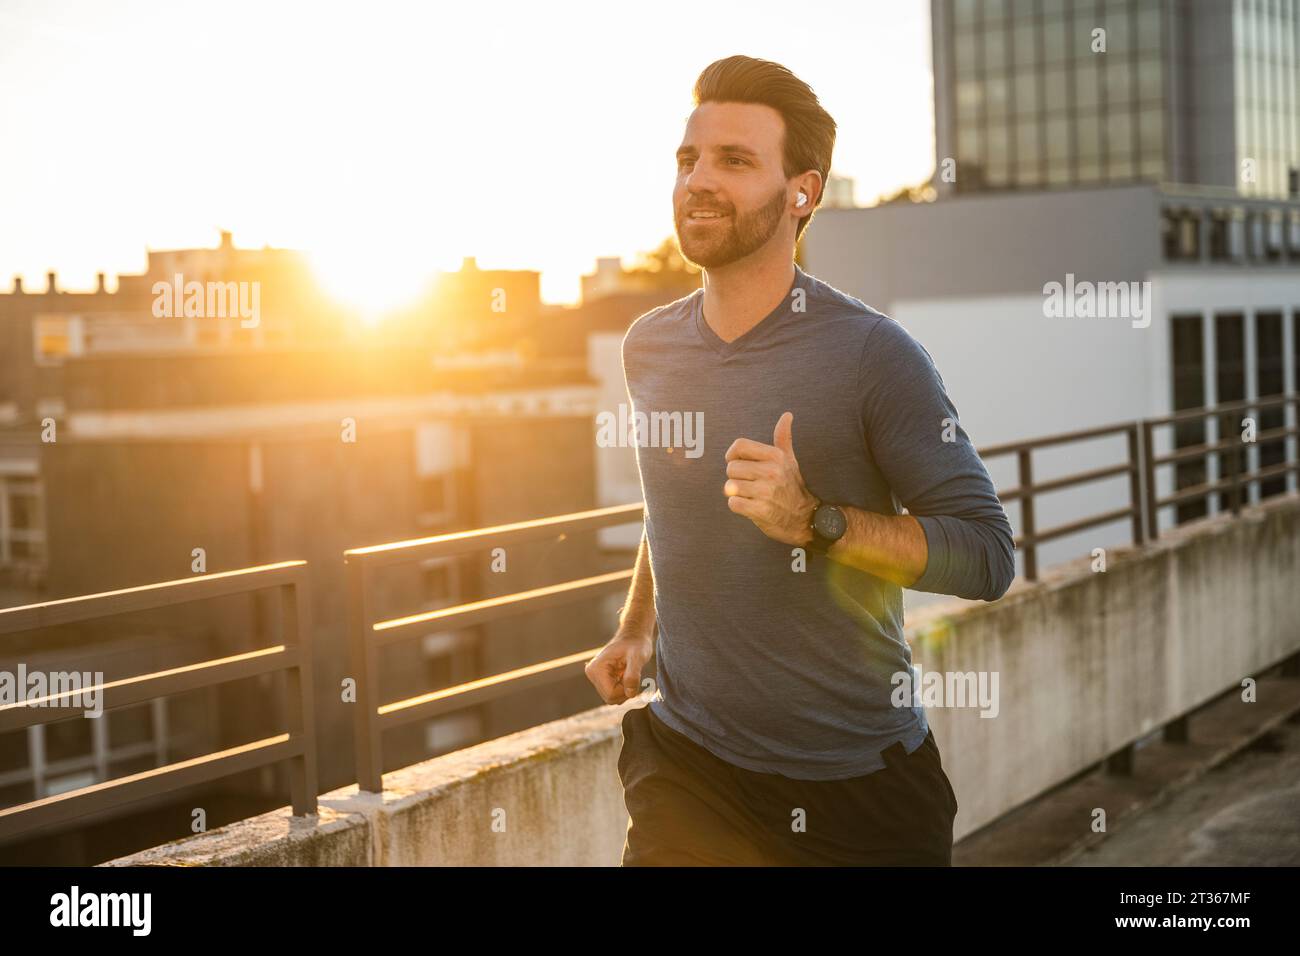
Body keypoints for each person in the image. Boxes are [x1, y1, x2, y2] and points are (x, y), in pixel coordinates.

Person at [585, 55, 1015, 866]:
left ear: (802, 193)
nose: (698, 181)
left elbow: (987, 557)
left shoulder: (873, 355)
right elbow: (668, 504)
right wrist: (636, 629)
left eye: (735, 161)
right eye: (689, 159)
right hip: (686, 765)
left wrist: (813, 521)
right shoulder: (650, 348)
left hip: (855, 794)